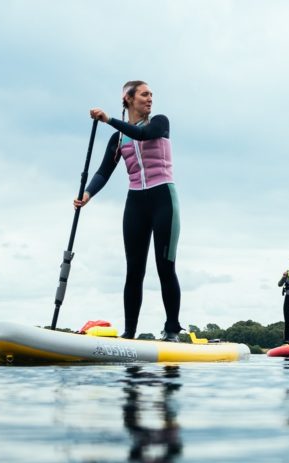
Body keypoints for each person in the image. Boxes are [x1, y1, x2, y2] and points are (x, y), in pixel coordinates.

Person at [73, 80, 183, 342]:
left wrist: (109, 119)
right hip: (135, 203)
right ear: (129, 99)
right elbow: (103, 172)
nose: (150, 99)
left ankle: (172, 330)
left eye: (151, 94)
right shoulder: (118, 138)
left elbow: (143, 135)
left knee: (165, 268)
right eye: (144, 94)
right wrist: (86, 194)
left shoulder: (160, 122)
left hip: (163, 198)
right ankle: (129, 332)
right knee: (134, 271)